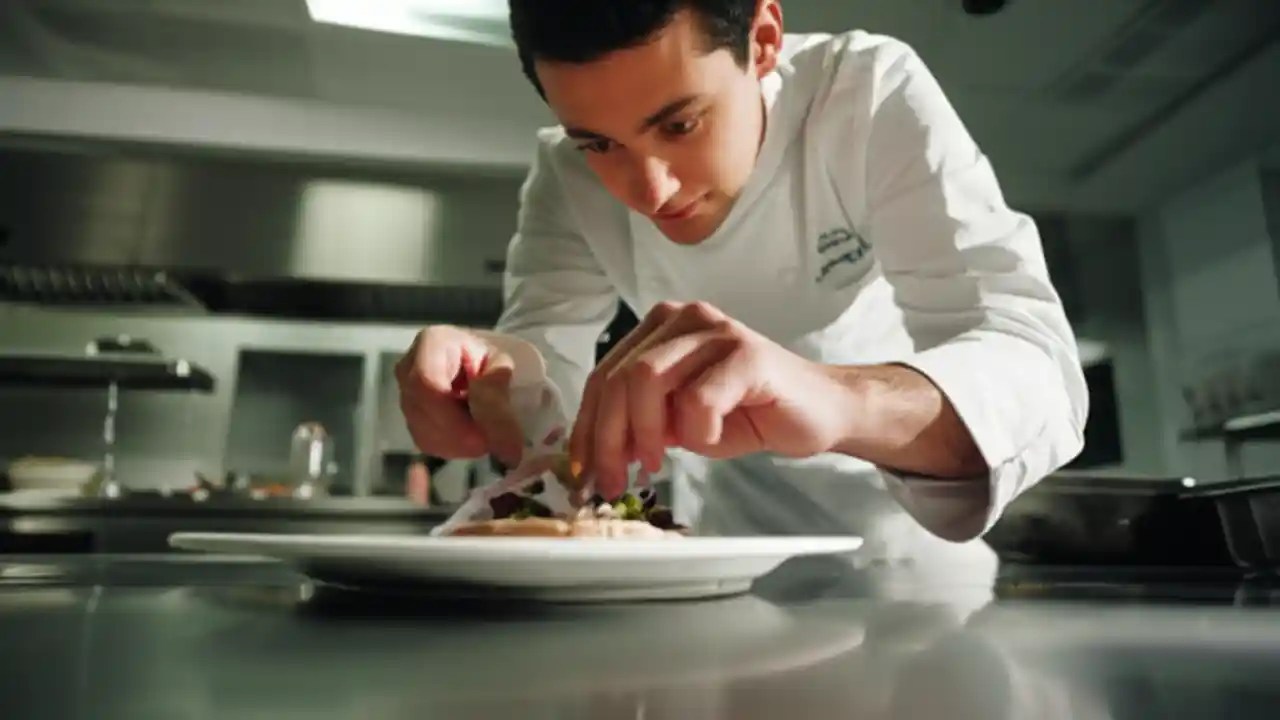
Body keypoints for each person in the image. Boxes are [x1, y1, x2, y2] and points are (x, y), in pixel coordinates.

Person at [396, 0, 1087, 565]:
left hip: (905, 550)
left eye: (680, 123)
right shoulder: (566, 175)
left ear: (763, 40)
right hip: (711, 547)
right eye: (598, 144)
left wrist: (831, 398)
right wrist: (499, 378)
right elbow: (550, 387)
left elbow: (1037, 368)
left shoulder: (865, 93)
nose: (650, 189)